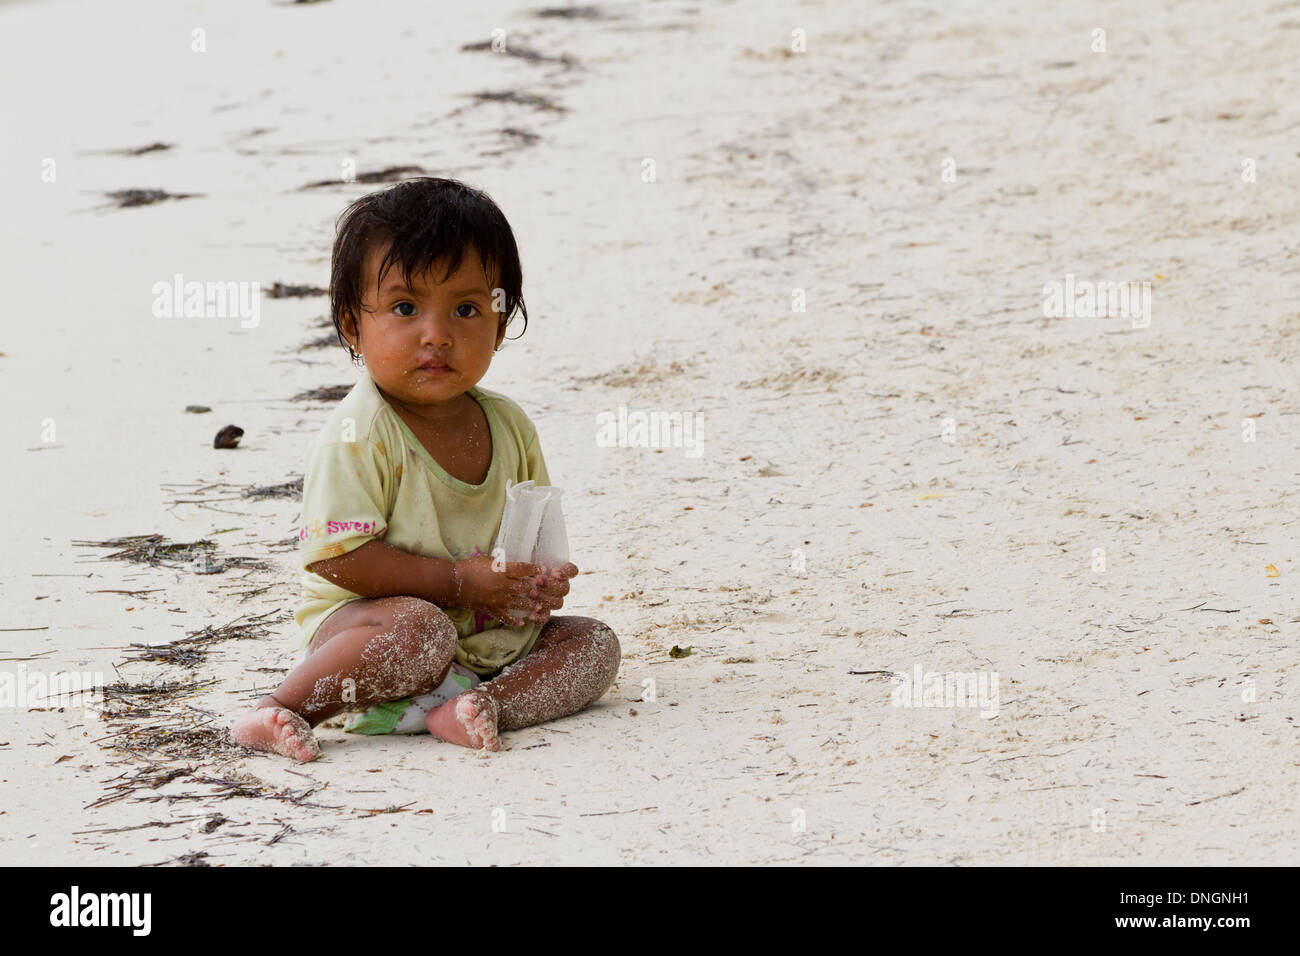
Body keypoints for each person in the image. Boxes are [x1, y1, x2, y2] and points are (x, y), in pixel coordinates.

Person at [231, 178, 621, 761]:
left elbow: (531, 535)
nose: (436, 335)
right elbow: (341, 558)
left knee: (594, 645)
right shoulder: (360, 433)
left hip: (482, 647)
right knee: (421, 631)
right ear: (350, 325)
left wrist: (537, 582)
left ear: (501, 320)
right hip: (374, 639)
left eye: (466, 309)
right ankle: (282, 708)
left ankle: (477, 708)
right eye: (405, 308)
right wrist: (459, 584)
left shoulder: (510, 426)